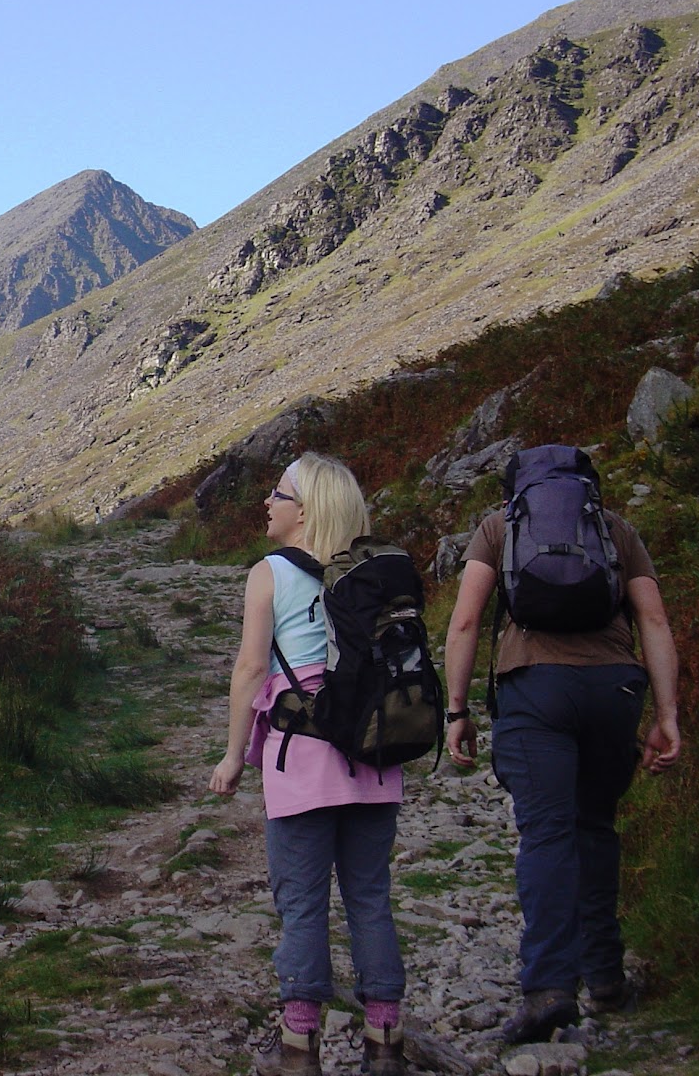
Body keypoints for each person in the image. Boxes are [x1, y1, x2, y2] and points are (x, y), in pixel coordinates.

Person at [443, 449, 682, 1045]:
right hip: (613, 688)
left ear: (513, 493)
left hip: (535, 689)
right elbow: (653, 621)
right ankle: (605, 977)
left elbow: (466, 622)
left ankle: (549, 988)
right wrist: (667, 716)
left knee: (547, 833)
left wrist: (456, 710)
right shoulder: (616, 530)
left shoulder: (500, 528)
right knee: (594, 827)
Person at [210, 452, 407, 1076]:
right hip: (374, 757)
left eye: (279, 493)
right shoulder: (372, 572)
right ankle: (385, 1043)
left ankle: (298, 1048)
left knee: (301, 904)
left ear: (305, 512)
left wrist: (235, 753)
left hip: (302, 760)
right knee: (370, 898)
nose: (268, 502)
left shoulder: (269, 573)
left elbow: (249, 669)